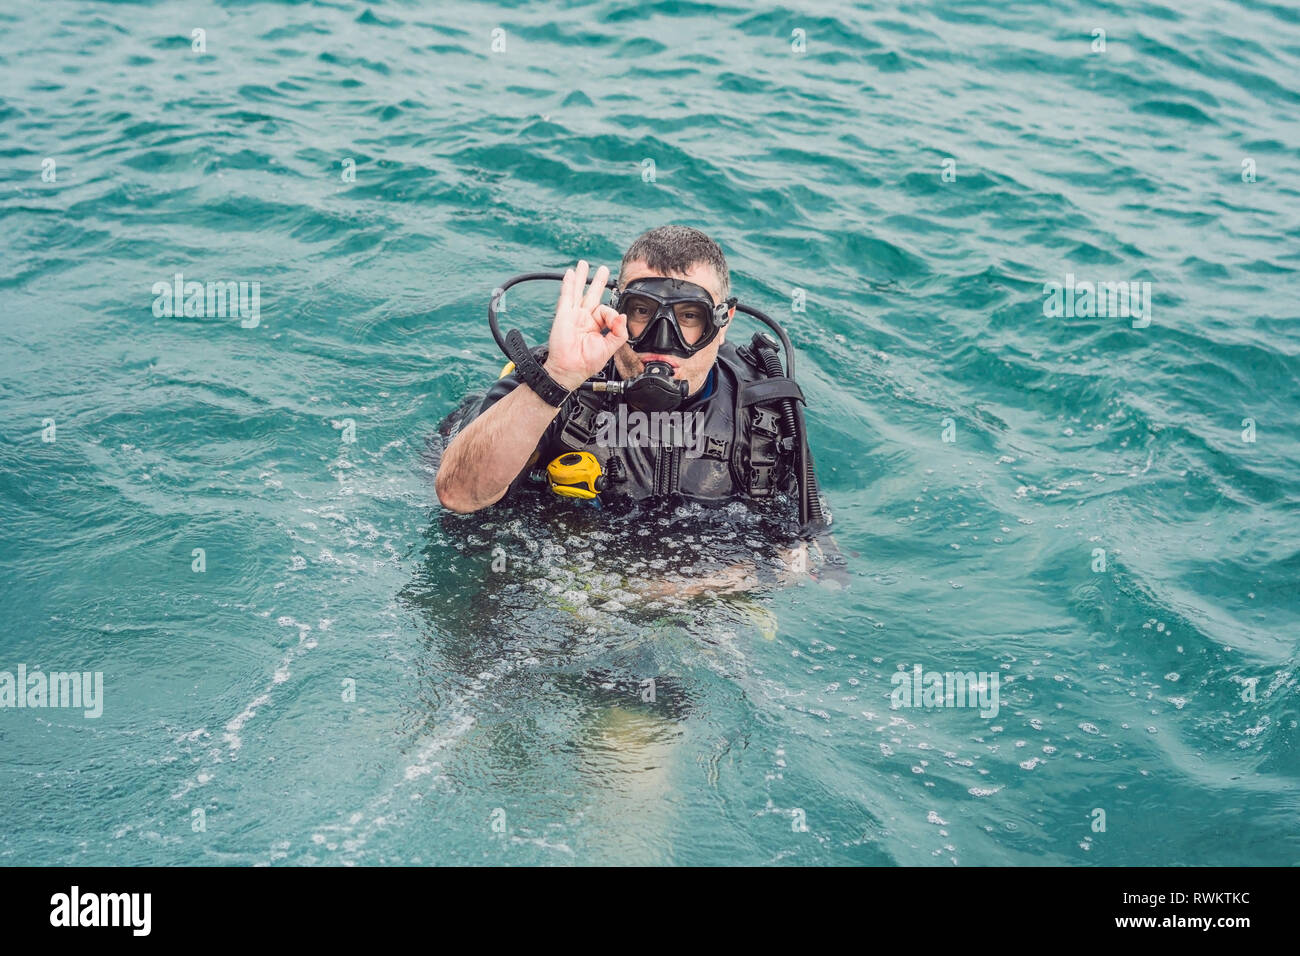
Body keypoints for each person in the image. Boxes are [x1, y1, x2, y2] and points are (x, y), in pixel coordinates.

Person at [434, 225, 808, 521]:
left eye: (689, 317)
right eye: (643, 312)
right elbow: (458, 495)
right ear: (617, 309)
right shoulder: (556, 377)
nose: (662, 342)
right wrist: (558, 378)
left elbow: (809, 553)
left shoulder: (763, 411)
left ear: (723, 323)